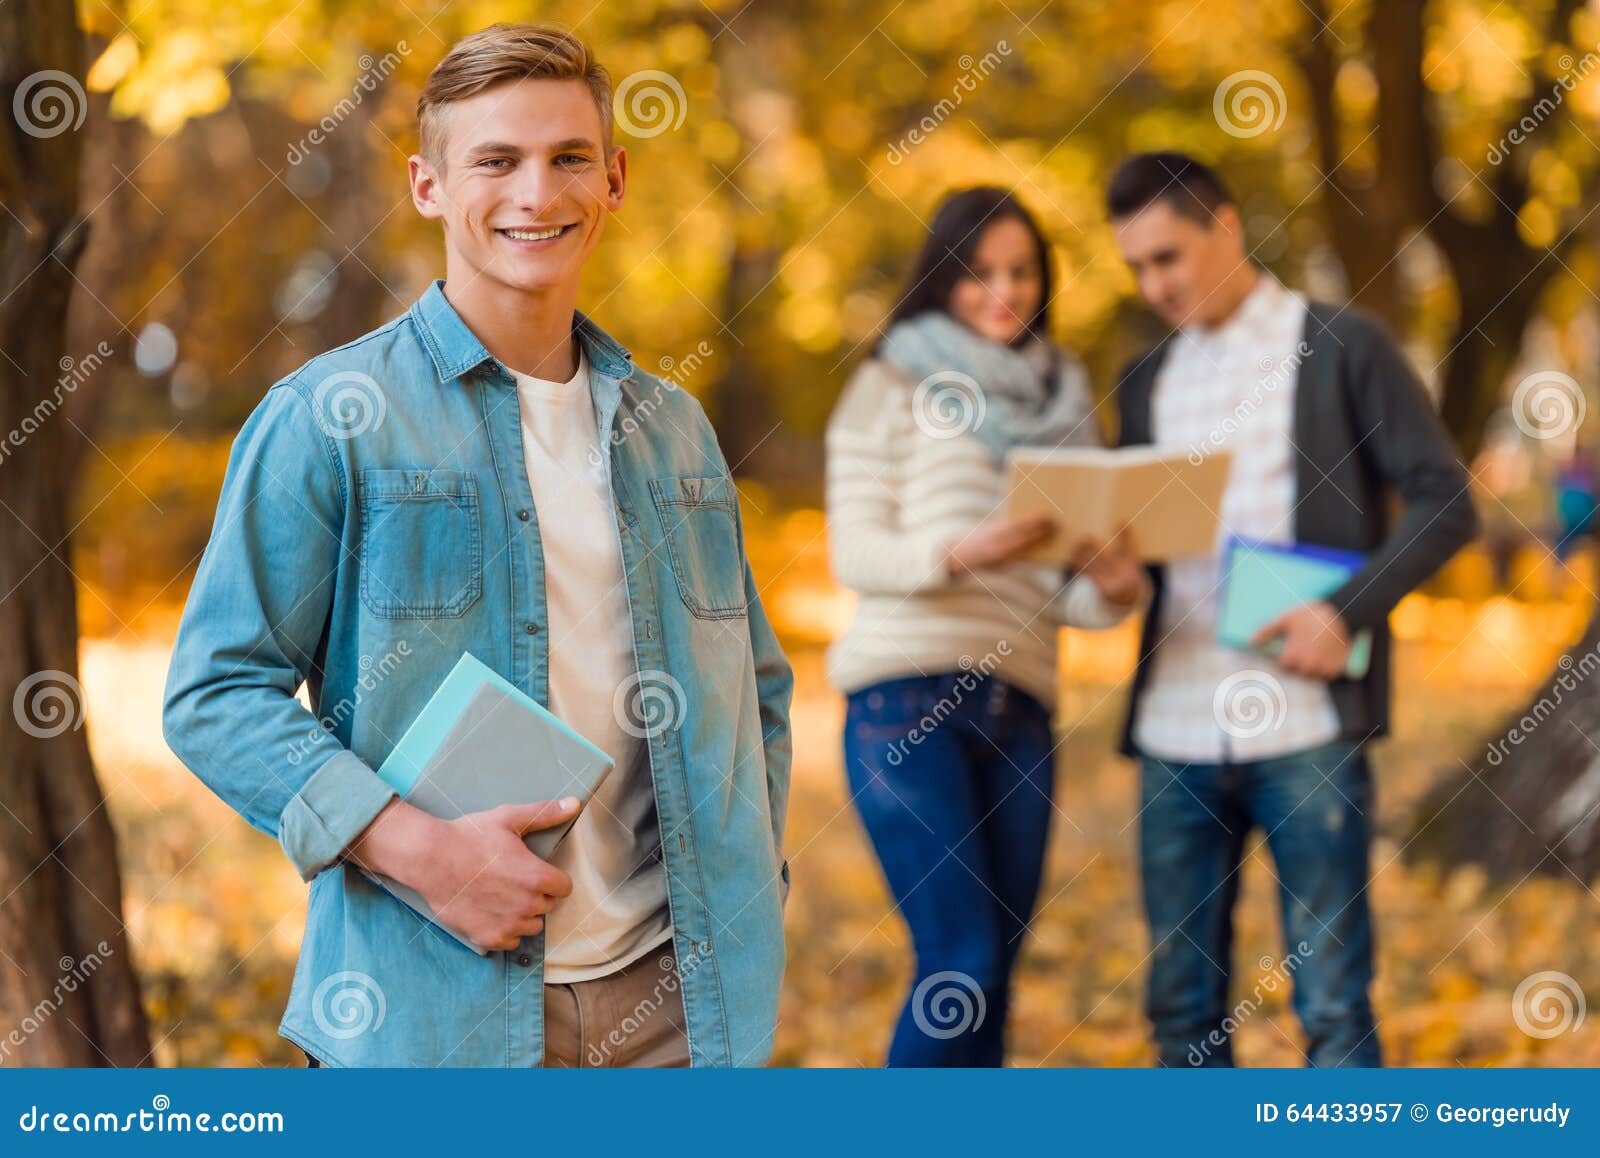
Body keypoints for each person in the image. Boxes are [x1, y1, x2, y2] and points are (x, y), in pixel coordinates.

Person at [162, 23, 793, 1069]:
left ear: (615, 178)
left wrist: (751, 881)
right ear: (428, 186)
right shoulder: (331, 416)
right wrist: (422, 854)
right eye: (496, 161)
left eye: (567, 158)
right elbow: (214, 695)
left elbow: (753, 686)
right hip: (431, 1014)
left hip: (679, 1017)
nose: (536, 195)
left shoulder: (673, 427)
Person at [1105, 152, 1479, 1067]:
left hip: (1307, 725)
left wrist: (1344, 610)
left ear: (1226, 227)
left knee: (1333, 1008)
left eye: (1170, 257)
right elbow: (1139, 554)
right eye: (1137, 268)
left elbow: (1446, 501)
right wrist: (1108, 577)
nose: (1155, 285)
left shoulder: (1344, 346)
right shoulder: (1146, 379)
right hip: (1175, 729)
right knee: (1181, 1017)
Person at [825, 186, 1148, 1066]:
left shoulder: (1066, 396)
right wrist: (965, 549)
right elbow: (854, 553)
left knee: (996, 971)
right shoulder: (889, 381)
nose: (1003, 290)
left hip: (1023, 711)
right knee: (958, 961)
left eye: (1022, 271)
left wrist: (1115, 588)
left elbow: (1066, 595)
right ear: (944, 276)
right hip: (905, 701)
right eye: (980, 272)